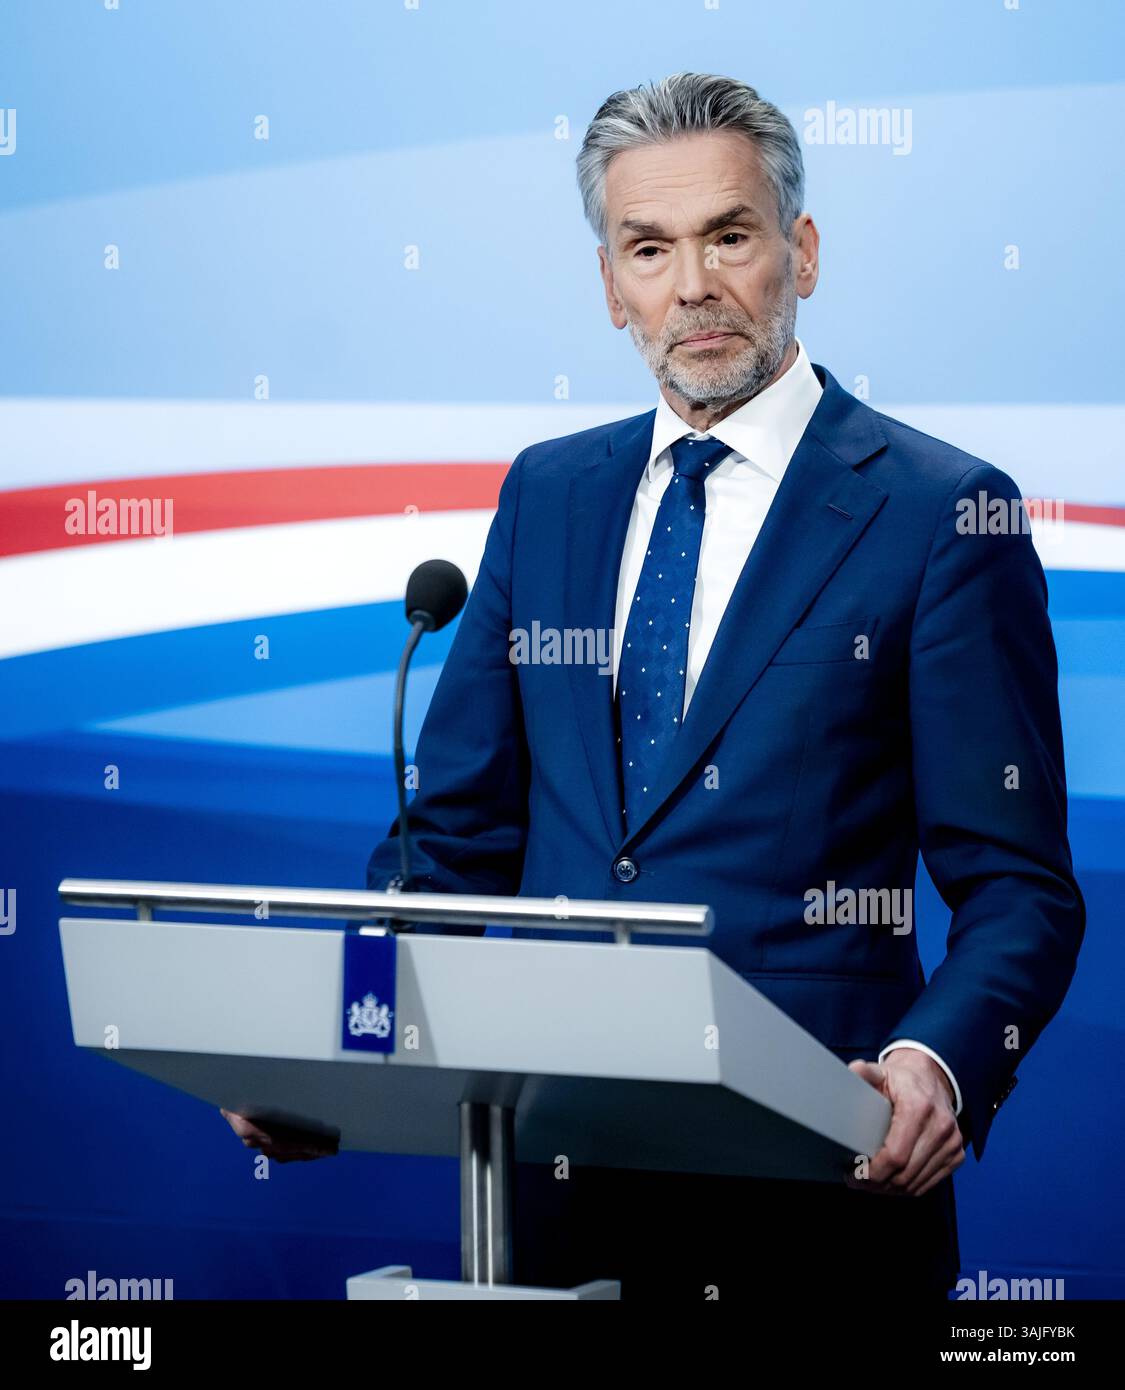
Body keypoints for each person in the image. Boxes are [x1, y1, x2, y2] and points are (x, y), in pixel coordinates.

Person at [225, 72, 1085, 1300]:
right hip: (547, 1206)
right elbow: (456, 841)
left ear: (802, 249)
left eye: (729, 237)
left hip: (815, 1210)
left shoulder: (943, 514)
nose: (694, 286)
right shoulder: (548, 495)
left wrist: (934, 1067)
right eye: (649, 248)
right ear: (609, 284)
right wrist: (339, 1046)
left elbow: (1019, 888)